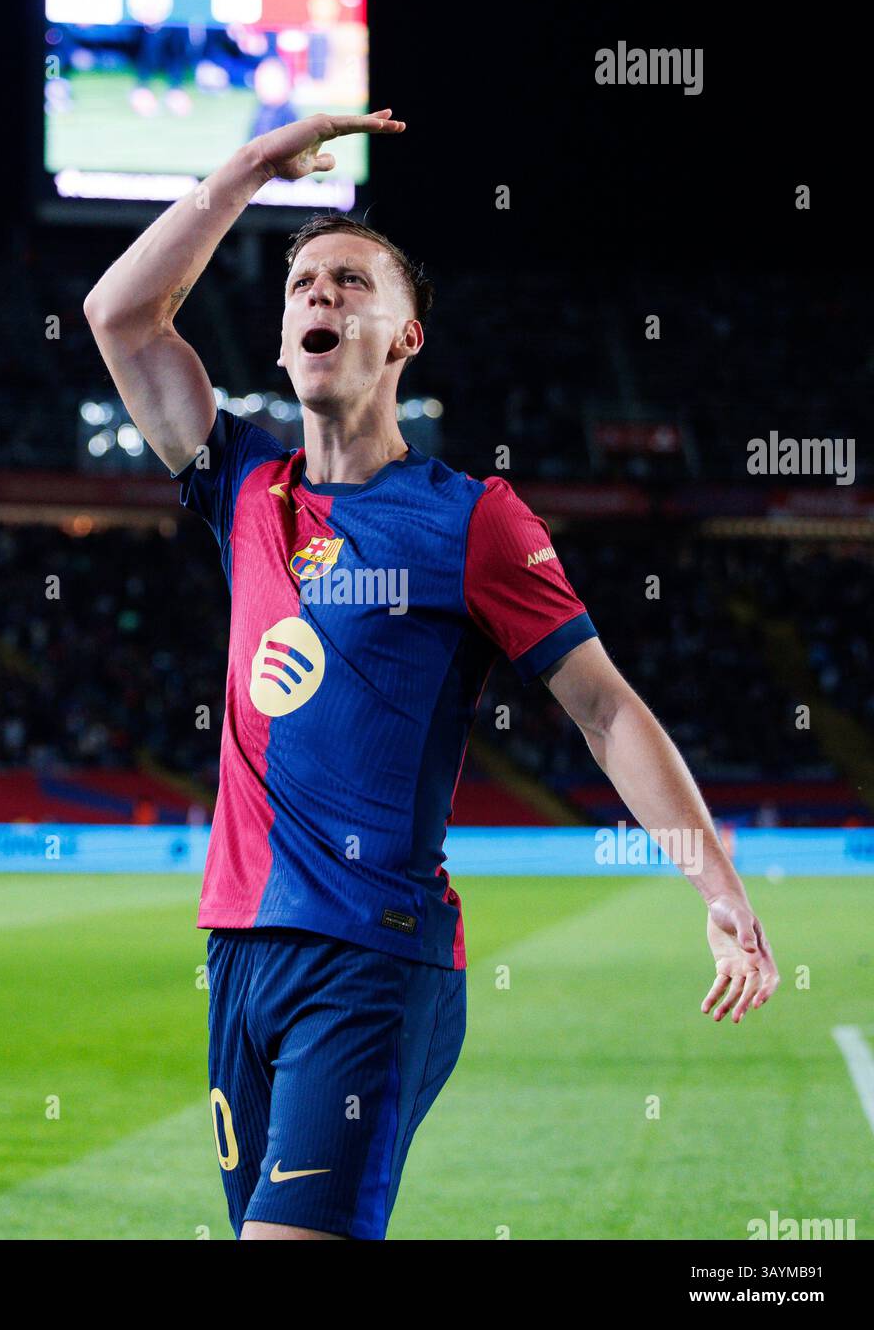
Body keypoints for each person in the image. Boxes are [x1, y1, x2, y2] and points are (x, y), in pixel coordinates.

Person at [83, 110, 780, 1241]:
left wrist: (717, 885)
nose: (319, 296)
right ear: (276, 337)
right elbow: (117, 315)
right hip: (237, 955)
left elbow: (603, 707)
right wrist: (251, 170)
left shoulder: (471, 522)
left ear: (405, 339)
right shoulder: (242, 481)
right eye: (303, 281)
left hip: (372, 957)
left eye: (351, 283)